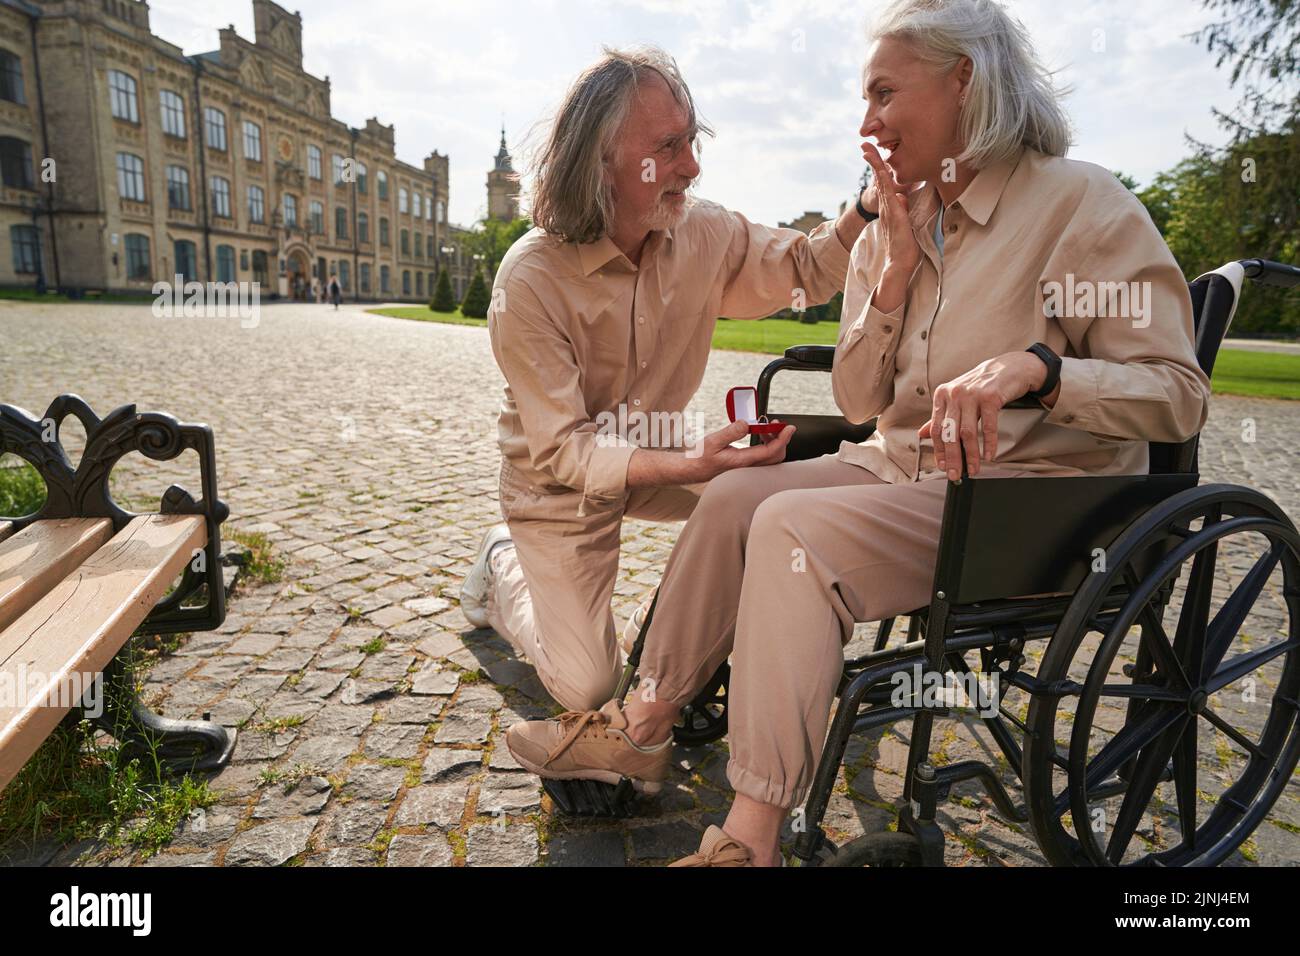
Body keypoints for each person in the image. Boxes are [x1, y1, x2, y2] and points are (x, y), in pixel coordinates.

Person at [505, 0, 1212, 866]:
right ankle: (643, 725)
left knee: (792, 528)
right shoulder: (898, 222)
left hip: (1027, 502)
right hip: (901, 471)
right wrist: (892, 277)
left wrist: (1043, 368)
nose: (866, 120)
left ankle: (750, 838)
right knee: (731, 500)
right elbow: (855, 396)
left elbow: (1178, 396)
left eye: (884, 92)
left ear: (966, 80)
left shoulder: (1077, 205)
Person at [458, 46, 882, 717]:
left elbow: (804, 266)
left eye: (693, 141)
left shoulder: (703, 229)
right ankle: (502, 563)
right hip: (556, 489)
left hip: (655, 459)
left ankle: (684, 642)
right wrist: (687, 461)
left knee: (760, 500)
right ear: (600, 159)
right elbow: (567, 452)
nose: (691, 165)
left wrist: (868, 205)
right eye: (669, 145)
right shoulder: (530, 279)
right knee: (592, 687)